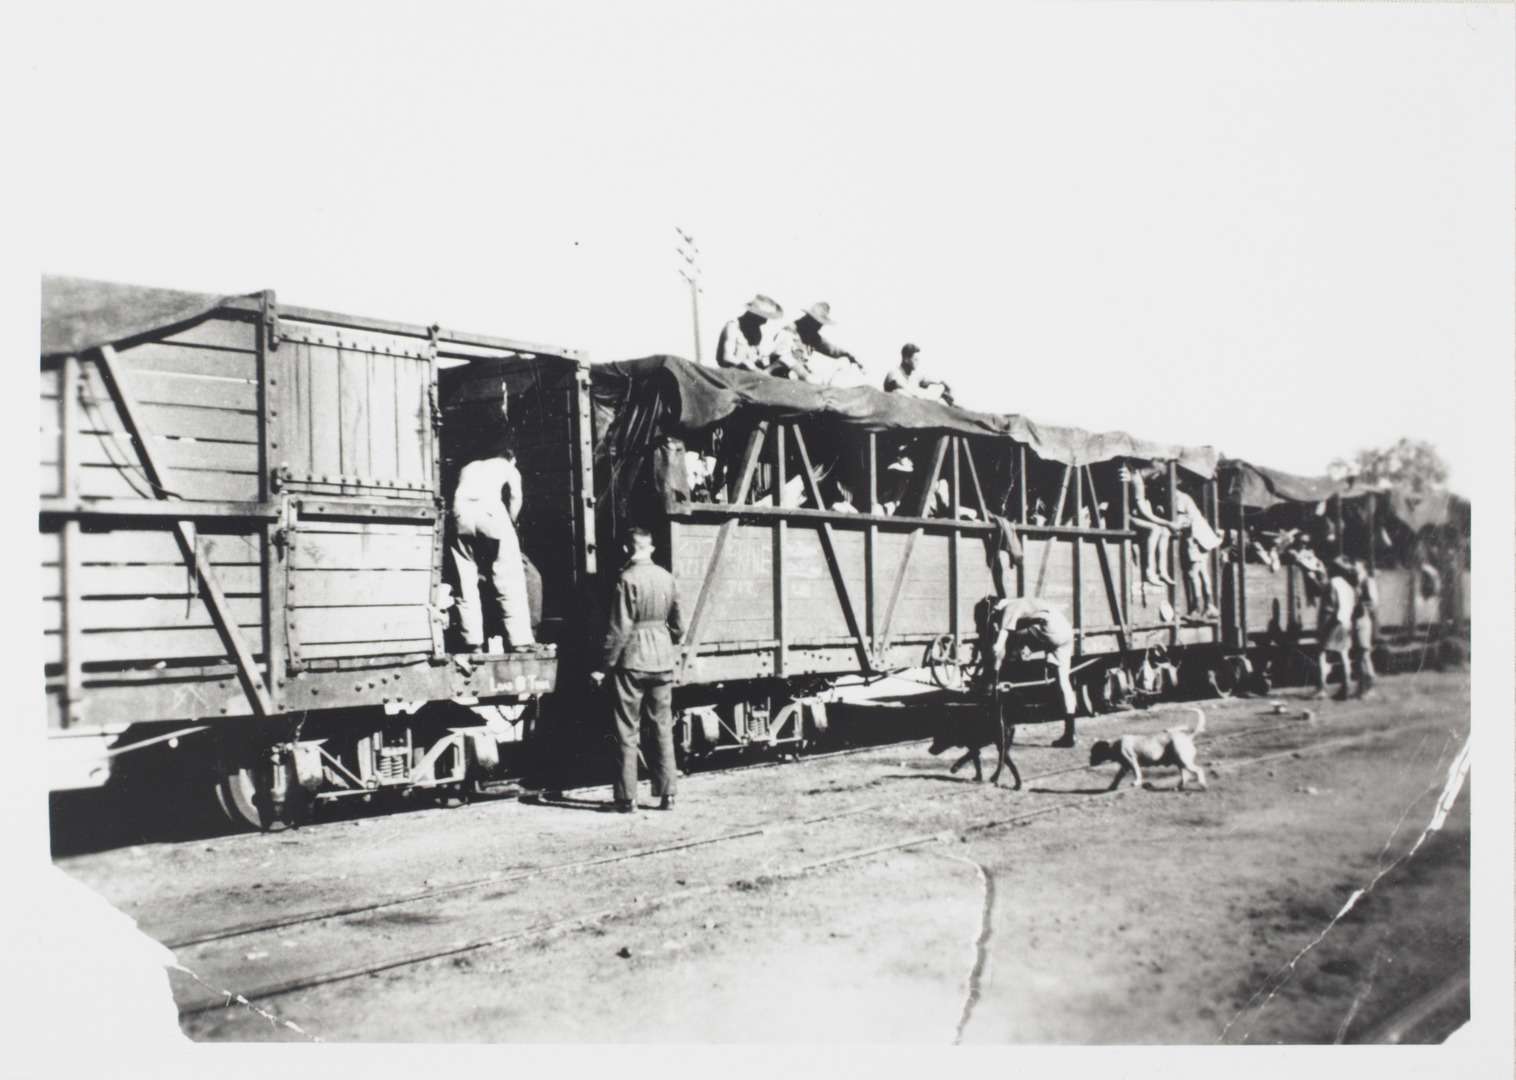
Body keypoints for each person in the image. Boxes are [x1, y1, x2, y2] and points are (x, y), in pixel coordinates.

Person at [591, 528, 685, 813]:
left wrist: (602, 668)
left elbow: (619, 629)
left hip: (632, 662)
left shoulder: (626, 579)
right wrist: (665, 640)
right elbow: (679, 627)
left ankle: (626, 799)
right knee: (661, 727)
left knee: (626, 730)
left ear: (625, 550)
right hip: (662, 660)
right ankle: (668, 795)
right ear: (651, 548)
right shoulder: (667, 578)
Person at [449, 445, 534, 650]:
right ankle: (520, 640)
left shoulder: (469, 467)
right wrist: (511, 522)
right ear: (511, 457)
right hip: (490, 511)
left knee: (465, 579)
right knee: (508, 576)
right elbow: (515, 497)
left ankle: (472, 642)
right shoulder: (508, 467)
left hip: (460, 513)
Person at [978, 594, 1079, 747]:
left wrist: (995, 648)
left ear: (995, 608)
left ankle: (996, 679)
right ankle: (1070, 734)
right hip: (1066, 633)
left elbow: (1003, 634)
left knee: (1011, 638)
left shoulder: (1010, 607)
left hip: (1050, 631)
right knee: (1064, 683)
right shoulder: (1027, 602)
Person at [775, 301, 867, 385]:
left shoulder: (812, 337)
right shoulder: (788, 332)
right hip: (783, 374)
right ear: (809, 319)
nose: (819, 327)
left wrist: (854, 358)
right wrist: (807, 376)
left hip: (800, 376)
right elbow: (783, 358)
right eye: (817, 323)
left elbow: (835, 351)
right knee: (813, 381)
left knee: (844, 362)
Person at [1118, 461, 1174, 586]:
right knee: (1156, 529)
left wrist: (1165, 525)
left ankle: (1162, 570)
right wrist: (1167, 522)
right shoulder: (1137, 480)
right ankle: (1150, 570)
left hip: (1129, 515)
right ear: (1155, 473)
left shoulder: (1137, 476)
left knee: (1165, 531)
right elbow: (1143, 512)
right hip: (1121, 516)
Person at [1312, 559, 1359, 700]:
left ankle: (1322, 688)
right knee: (1343, 653)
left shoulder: (1332, 584)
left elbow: (1328, 608)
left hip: (1334, 622)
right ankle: (1346, 686)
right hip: (1346, 622)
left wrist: (1322, 627)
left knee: (1321, 653)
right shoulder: (1348, 586)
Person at [714, 294, 786, 373]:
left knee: (785, 361)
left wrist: (761, 360)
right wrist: (747, 364)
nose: (765, 322)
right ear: (752, 314)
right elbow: (727, 358)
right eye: (763, 317)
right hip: (731, 374)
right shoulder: (733, 326)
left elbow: (753, 357)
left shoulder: (756, 332)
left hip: (750, 374)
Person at [883, 343, 954, 405]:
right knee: (901, 392)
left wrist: (941, 384)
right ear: (906, 359)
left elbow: (927, 381)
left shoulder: (915, 375)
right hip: (898, 406)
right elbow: (907, 392)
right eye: (915, 360)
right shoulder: (894, 374)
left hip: (914, 406)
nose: (918, 363)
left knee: (939, 391)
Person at [1349, 559, 1378, 699]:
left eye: (1356, 566)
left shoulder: (1368, 581)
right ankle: (1361, 688)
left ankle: (1369, 688)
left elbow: (1373, 603)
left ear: (1363, 567)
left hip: (1363, 620)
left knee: (1364, 654)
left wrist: (1360, 607)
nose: (1353, 568)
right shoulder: (1357, 582)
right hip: (1356, 620)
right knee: (1360, 655)